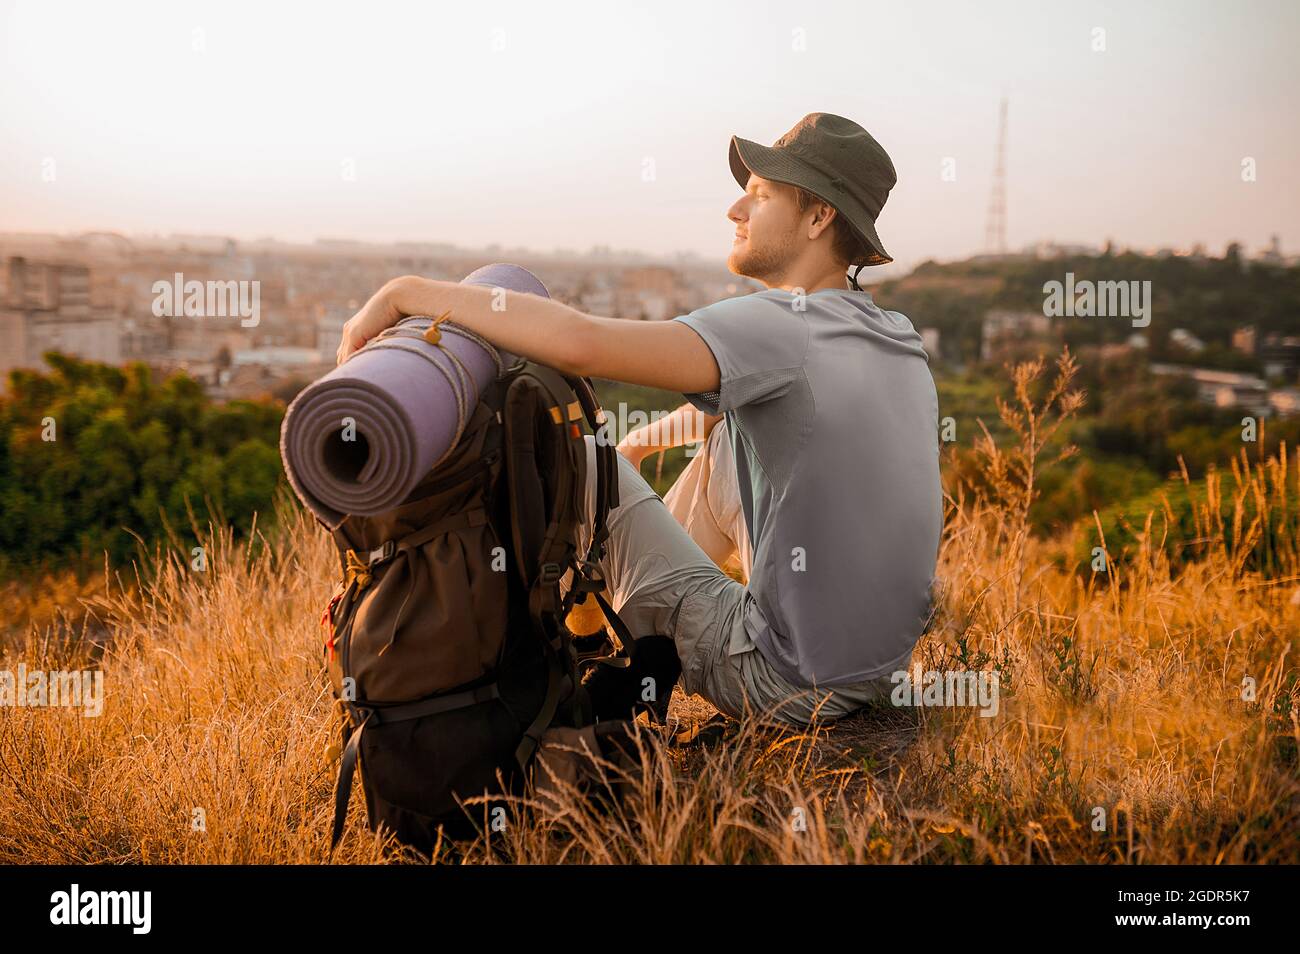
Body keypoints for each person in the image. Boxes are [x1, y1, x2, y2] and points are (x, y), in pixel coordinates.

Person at [337, 112, 942, 725]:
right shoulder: (890, 332)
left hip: (782, 679)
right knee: (723, 442)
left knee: (578, 457)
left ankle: (571, 660)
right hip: (874, 667)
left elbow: (579, 344)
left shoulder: (785, 324)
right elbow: (745, 412)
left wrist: (403, 293)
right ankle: (614, 627)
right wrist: (642, 442)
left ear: (818, 218)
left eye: (760, 196)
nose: (736, 210)